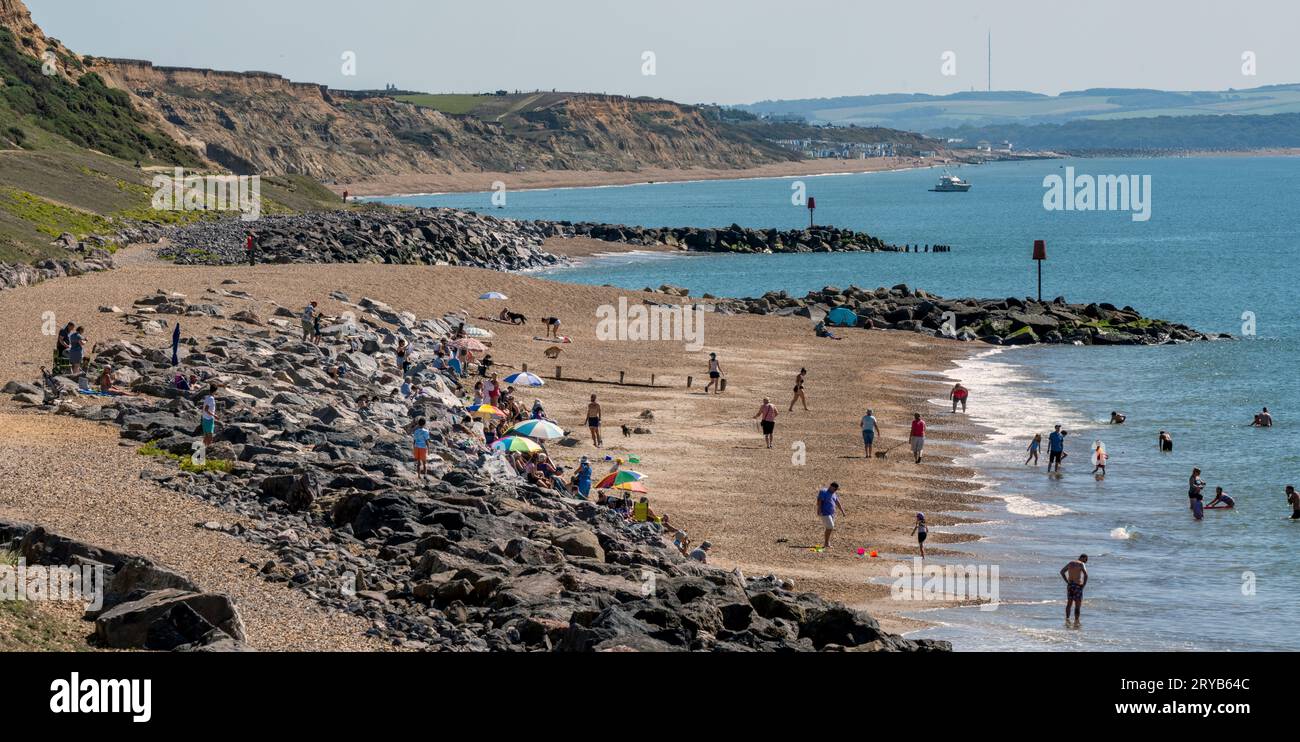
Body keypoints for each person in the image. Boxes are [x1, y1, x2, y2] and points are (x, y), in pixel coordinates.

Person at [1060, 554, 1089, 622]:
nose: (1086, 561)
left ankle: (1067, 619)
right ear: (1082, 558)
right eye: (1086, 559)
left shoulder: (1070, 563)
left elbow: (1062, 572)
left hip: (1070, 585)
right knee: (1078, 604)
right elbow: (1086, 575)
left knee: (1069, 603)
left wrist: (1067, 581)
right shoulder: (1081, 564)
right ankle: (1076, 620)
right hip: (1077, 585)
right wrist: (1083, 585)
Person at [817, 483, 846, 549]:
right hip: (825, 513)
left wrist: (842, 511)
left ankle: (826, 543)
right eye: (835, 489)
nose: (835, 490)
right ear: (831, 487)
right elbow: (819, 501)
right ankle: (826, 543)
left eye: (836, 489)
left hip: (832, 514)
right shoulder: (823, 491)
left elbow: (837, 502)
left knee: (829, 528)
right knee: (830, 527)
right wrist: (819, 510)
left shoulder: (834, 494)